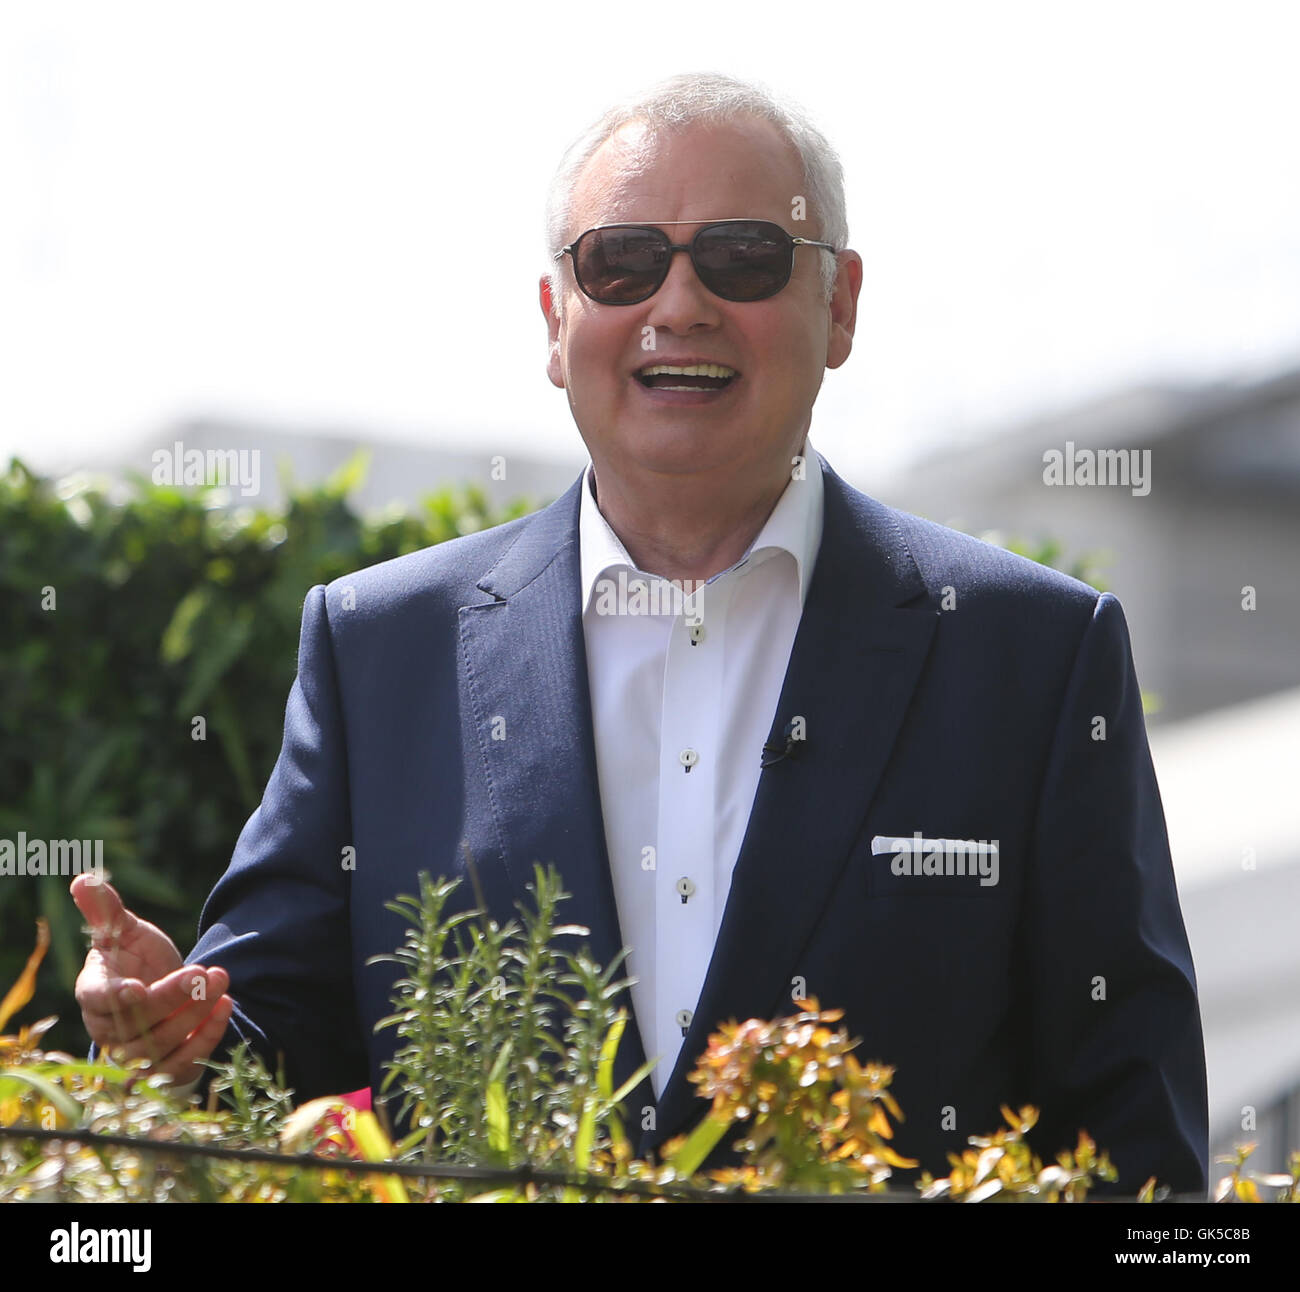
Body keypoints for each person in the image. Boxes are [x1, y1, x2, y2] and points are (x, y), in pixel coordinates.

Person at [72, 72, 1209, 1193]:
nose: (680, 306)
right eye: (621, 262)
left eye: (743, 257)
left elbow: (1133, 1128)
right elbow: (268, 1057)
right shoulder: (381, 649)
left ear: (841, 305)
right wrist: (180, 1031)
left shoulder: (1030, 654)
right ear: (554, 319)